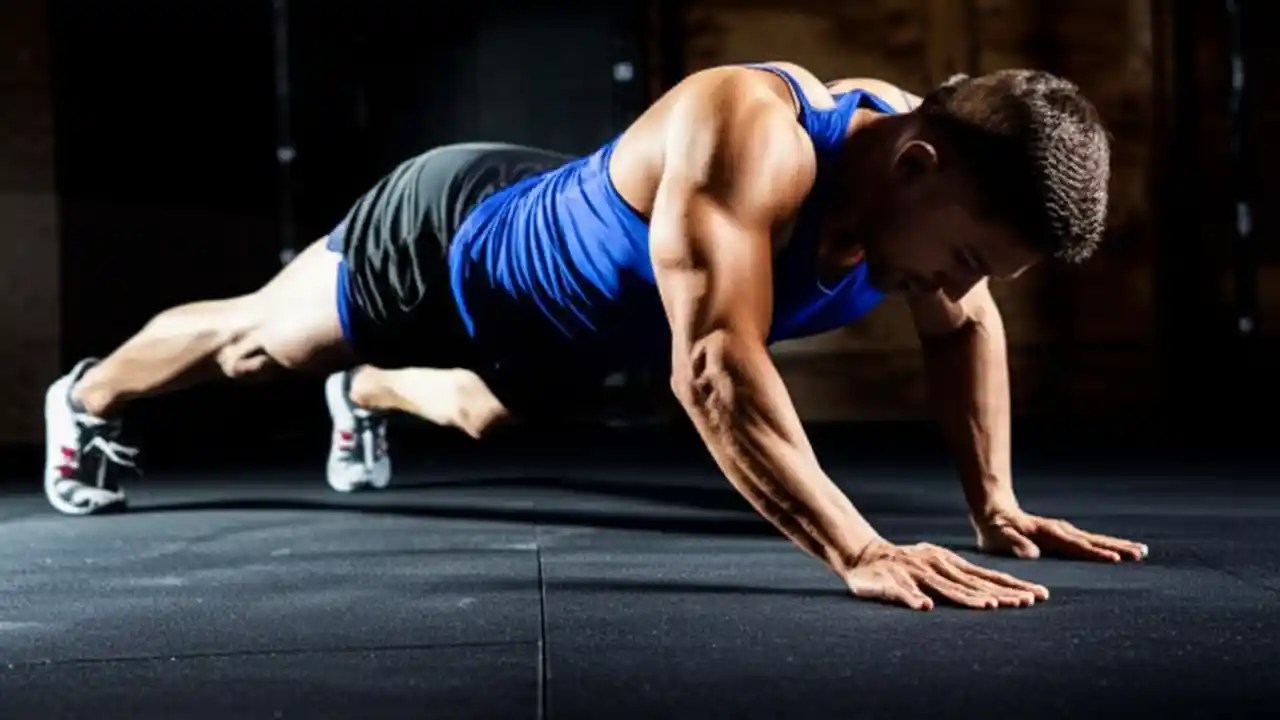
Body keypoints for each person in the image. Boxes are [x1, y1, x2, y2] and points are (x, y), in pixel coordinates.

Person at [44, 61, 1147, 611]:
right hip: (453, 244)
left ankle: (378, 392)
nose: (956, 288)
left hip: (574, 331)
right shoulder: (752, 133)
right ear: (913, 169)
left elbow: (962, 333)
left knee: (481, 407)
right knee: (258, 349)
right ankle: (89, 399)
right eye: (959, 260)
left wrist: (992, 503)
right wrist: (858, 550)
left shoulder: (930, 170)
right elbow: (714, 367)